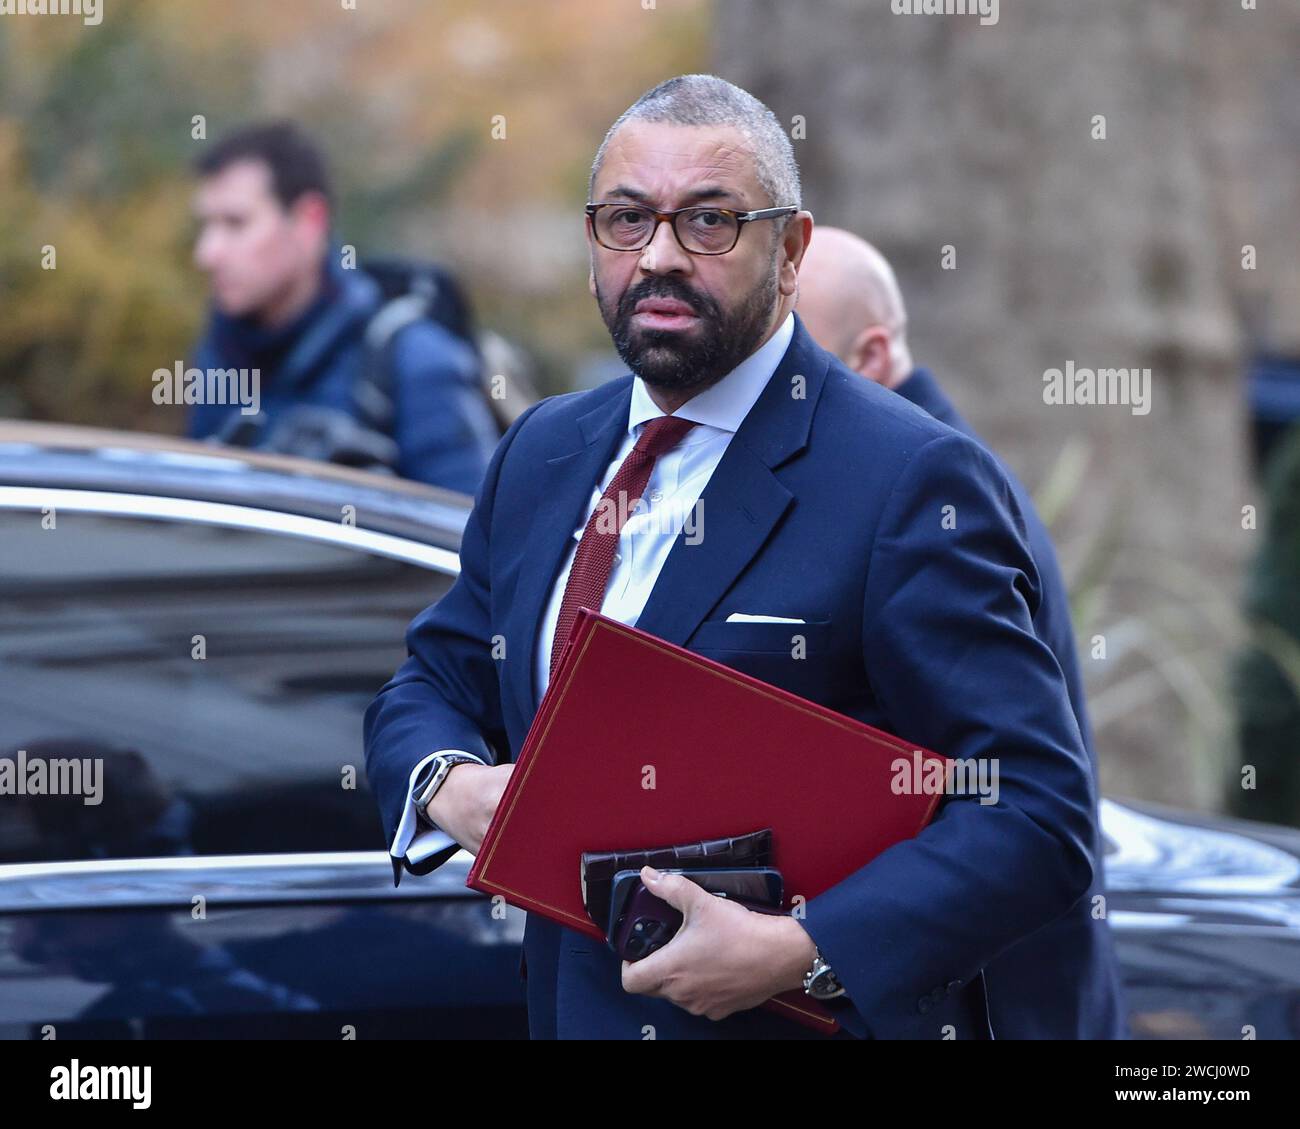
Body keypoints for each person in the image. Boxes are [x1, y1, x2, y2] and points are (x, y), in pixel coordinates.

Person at [365, 74, 1108, 1039]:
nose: (660, 256)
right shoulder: (542, 451)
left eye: (709, 222)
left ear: (791, 250)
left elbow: (1034, 808)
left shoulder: (911, 478)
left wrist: (808, 947)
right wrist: (448, 784)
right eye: (626, 220)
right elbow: (433, 679)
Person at [796, 226, 1124, 1038]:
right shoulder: (923, 476)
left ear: (871, 353)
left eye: (792, 350)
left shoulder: (932, 497)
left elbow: (1019, 796)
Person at [187, 121, 498, 493]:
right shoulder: (219, 352)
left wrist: (374, 504)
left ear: (308, 221)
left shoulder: (412, 360)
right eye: (206, 225)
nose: (207, 253)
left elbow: (476, 539)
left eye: (235, 223)